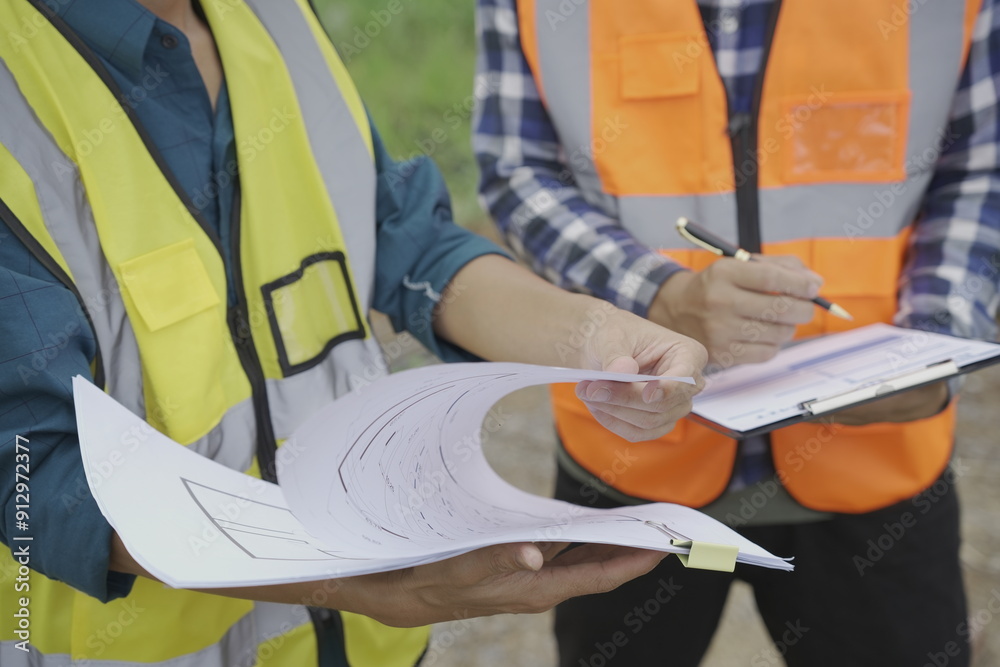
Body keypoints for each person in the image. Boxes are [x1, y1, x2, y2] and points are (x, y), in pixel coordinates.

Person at [0, 0, 709, 665]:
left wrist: (605, 338)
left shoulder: (275, 18)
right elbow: (31, 478)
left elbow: (402, 236)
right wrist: (352, 580)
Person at [474, 0, 1000, 665]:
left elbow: (981, 166)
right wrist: (660, 296)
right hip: (634, 466)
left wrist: (934, 342)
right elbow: (518, 170)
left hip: (876, 462)